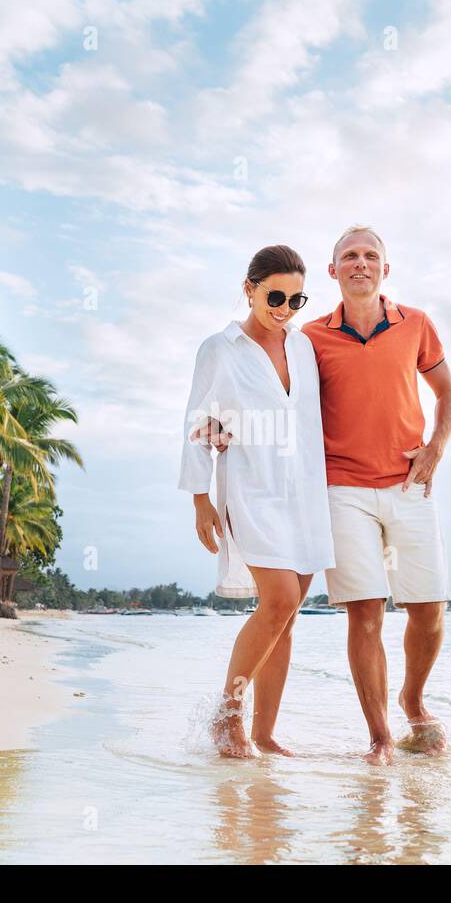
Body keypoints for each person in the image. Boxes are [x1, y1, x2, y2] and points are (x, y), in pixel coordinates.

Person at [302, 225, 451, 765]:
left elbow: (447, 392)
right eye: (350, 256)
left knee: (428, 607)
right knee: (365, 610)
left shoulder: (415, 324)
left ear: (385, 270)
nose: (360, 263)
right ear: (333, 271)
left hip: (409, 483)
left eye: (371, 256)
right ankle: (381, 737)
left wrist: (435, 447)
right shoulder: (310, 337)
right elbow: (278, 397)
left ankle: (413, 698)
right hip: (341, 487)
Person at [178, 244, 335, 759]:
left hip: (306, 493)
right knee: (279, 600)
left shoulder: (304, 347)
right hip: (252, 490)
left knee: (287, 617)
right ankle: (228, 717)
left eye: (297, 298)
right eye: (275, 295)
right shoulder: (219, 349)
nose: (285, 308)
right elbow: (199, 425)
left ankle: (265, 733)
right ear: (249, 288)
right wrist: (201, 500)